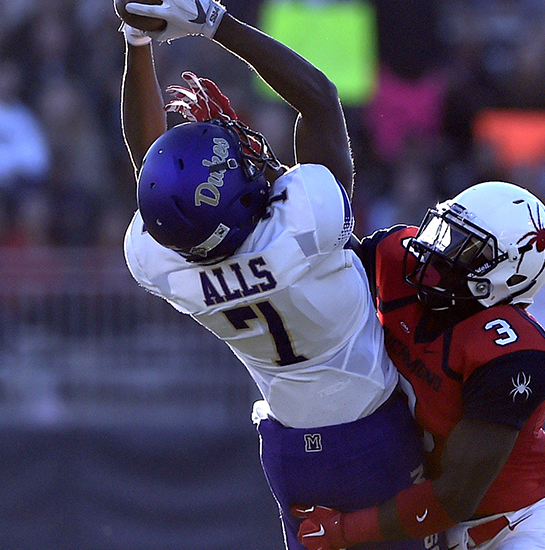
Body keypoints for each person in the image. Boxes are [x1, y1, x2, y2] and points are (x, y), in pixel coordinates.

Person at [117, 2, 438, 549]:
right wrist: (217, 23)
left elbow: (153, 165)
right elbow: (319, 97)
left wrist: (136, 44)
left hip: (290, 451)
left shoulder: (163, 259)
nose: (251, 155)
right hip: (373, 436)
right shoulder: (303, 224)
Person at [292, 181, 545, 549]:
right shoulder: (397, 260)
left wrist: (346, 531)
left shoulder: (511, 352)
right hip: (432, 528)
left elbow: (457, 495)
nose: (439, 252)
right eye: (446, 232)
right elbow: (321, 264)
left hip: (517, 529)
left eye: (467, 248)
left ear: (511, 275)